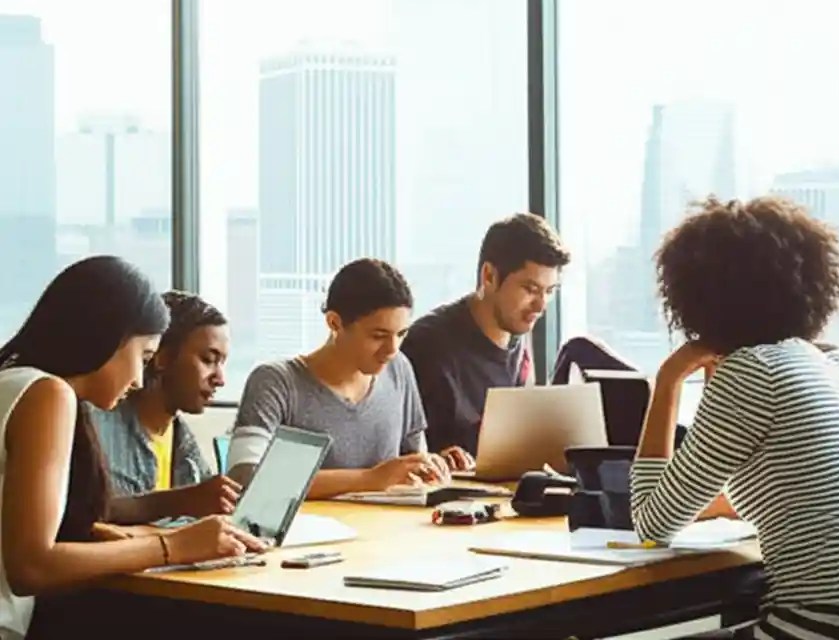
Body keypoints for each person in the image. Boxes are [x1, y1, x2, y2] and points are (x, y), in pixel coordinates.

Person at [629, 197, 839, 640]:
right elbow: (790, 490)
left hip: (820, 629)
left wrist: (667, 383)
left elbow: (651, 524)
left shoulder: (753, 370)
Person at [0, 256, 265, 639]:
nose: (141, 380)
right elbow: (32, 567)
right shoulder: (48, 394)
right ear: (108, 337)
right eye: (143, 357)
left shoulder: (14, 378)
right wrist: (171, 546)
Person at [227, 258, 453, 500]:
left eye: (401, 334)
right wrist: (371, 479)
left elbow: (413, 461)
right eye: (378, 335)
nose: (392, 349)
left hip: (385, 531)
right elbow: (245, 478)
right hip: (305, 534)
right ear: (335, 323)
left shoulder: (399, 370)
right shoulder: (275, 382)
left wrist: (432, 467)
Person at [401, 213, 570, 458]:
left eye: (549, 291)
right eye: (530, 289)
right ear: (489, 276)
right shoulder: (426, 346)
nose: (540, 306)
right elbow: (402, 451)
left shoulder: (517, 335)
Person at [92, 291, 240, 522]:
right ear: (161, 357)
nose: (220, 379)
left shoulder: (181, 436)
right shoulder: (97, 426)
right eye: (208, 360)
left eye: (222, 363)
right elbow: (89, 516)